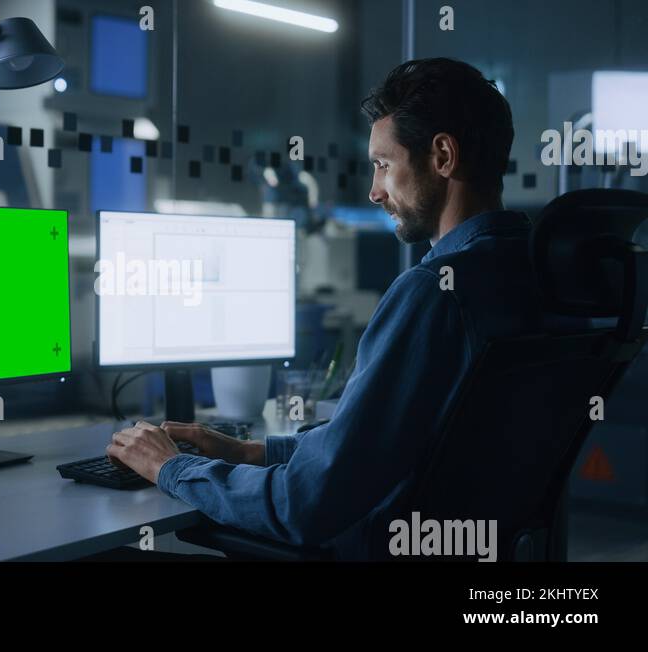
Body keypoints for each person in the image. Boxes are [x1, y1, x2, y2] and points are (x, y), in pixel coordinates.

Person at [101, 58, 572, 560]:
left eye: (383, 165)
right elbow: (387, 446)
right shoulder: (534, 274)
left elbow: (307, 505)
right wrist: (253, 451)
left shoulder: (433, 292)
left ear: (442, 156)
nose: (374, 191)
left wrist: (171, 468)